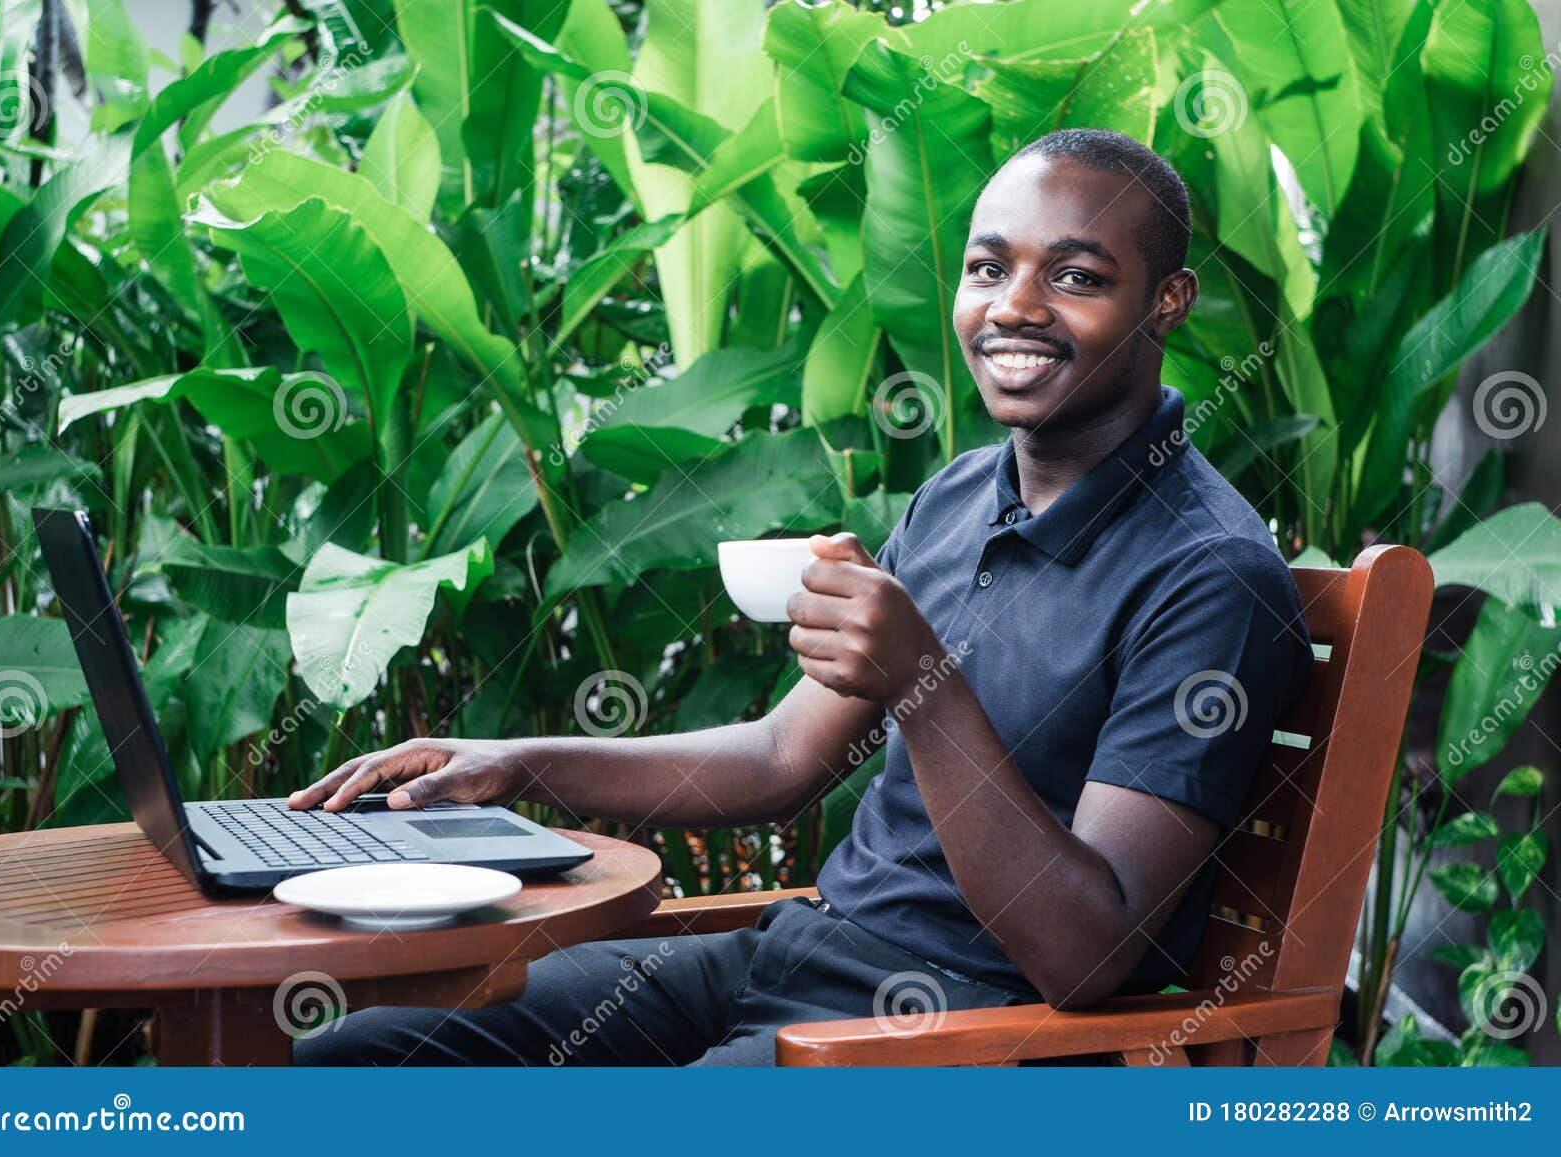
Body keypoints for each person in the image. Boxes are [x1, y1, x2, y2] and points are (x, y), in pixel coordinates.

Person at [291, 128, 1314, 1066]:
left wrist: (922, 680)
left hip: (968, 1030)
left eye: (1077, 276)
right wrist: (520, 761)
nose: (1014, 306)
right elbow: (782, 756)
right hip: (797, 958)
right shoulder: (959, 494)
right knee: (364, 1057)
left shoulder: (1207, 572)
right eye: (988, 268)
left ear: (1165, 303)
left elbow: (1085, 954)